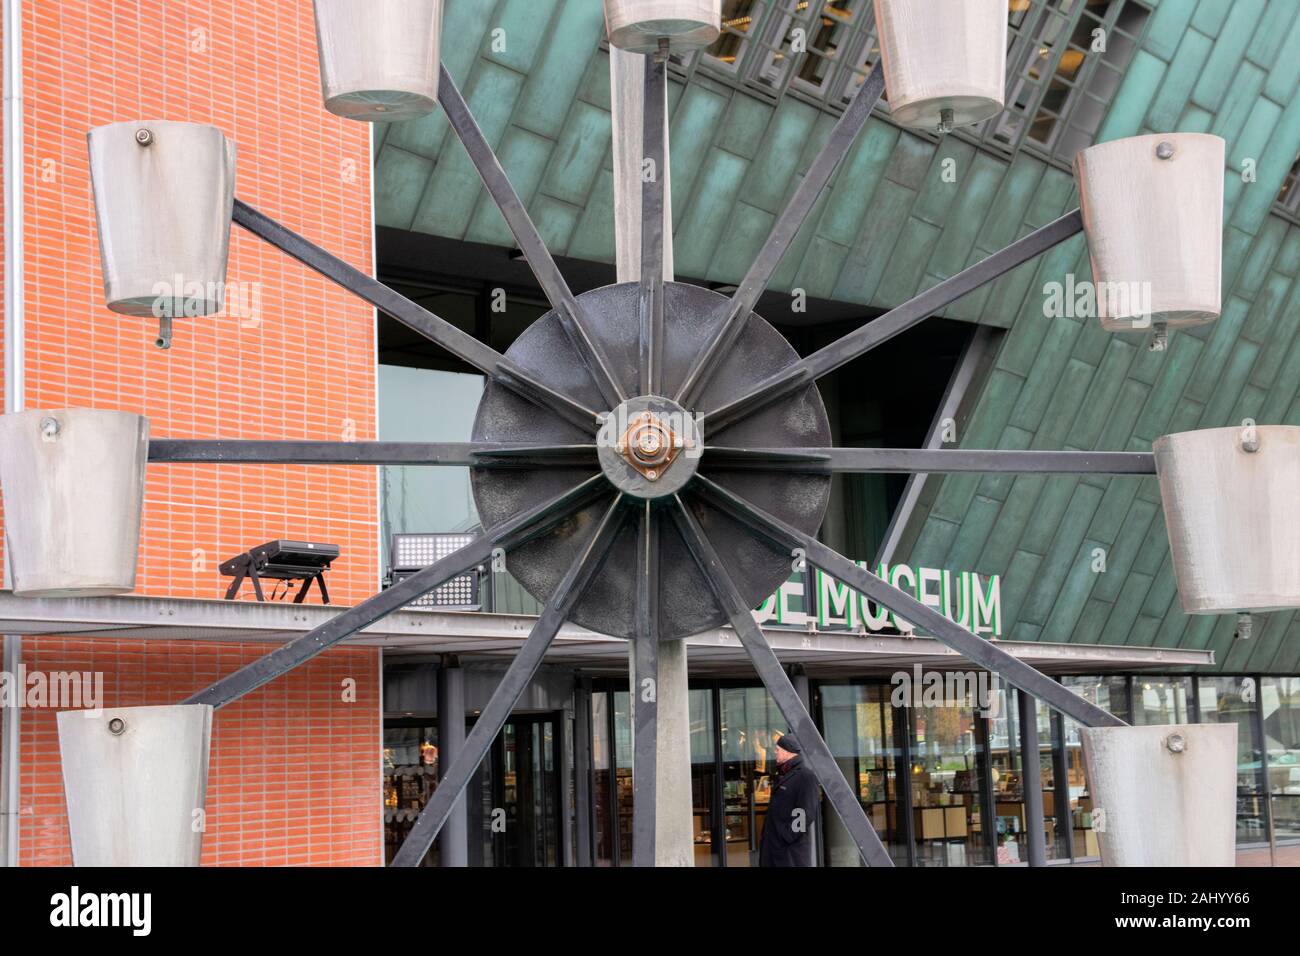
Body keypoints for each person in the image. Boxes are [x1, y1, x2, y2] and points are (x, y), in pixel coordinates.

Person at [759, 733, 820, 867]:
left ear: (788, 751)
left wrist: (787, 836)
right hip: (774, 849)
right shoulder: (783, 774)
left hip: (789, 852)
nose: (775, 752)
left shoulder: (805, 776)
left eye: (778, 749)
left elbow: (806, 812)